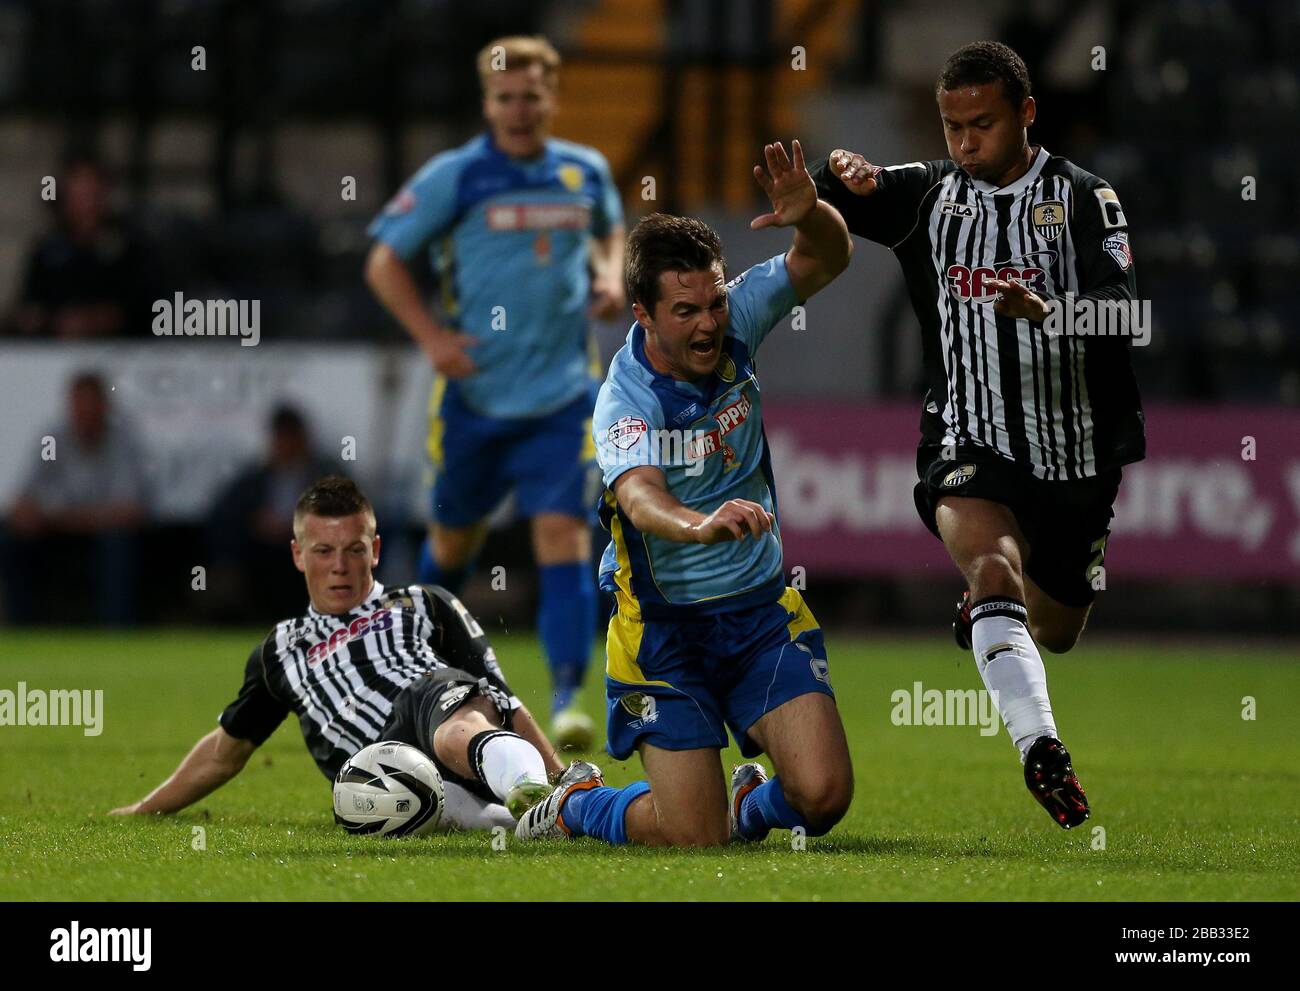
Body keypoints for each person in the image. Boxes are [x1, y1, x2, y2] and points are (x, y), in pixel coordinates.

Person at [810, 41, 1145, 828]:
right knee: (990, 565)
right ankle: (1041, 747)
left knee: (1056, 628)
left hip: (1075, 452)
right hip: (969, 436)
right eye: (952, 125)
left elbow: (1130, 312)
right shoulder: (931, 195)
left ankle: (993, 619)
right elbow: (840, 196)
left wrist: (1050, 311)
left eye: (982, 125)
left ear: (1027, 114)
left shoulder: (1086, 200)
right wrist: (827, 181)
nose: (964, 143)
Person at [516, 140, 855, 847]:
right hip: (663, 632)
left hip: (760, 612)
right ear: (642, 313)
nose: (708, 324)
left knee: (823, 797)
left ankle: (752, 807)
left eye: (714, 302)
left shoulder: (737, 316)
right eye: (685, 311)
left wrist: (812, 214)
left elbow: (827, 257)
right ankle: (580, 802)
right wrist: (702, 526)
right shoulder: (624, 400)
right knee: (691, 837)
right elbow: (639, 497)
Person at [364, 35, 625, 748]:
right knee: (452, 544)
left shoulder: (584, 170)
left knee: (563, 531)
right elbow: (385, 260)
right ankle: (418, 676)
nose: (519, 109)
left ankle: (568, 696)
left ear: (552, 97)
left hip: (565, 394)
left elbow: (611, 233)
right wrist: (432, 339)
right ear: (487, 102)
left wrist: (609, 272)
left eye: (531, 96)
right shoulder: (457, 176)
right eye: (505, 97)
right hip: (475, 400)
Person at [110, 476, 577, 832]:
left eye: (354, 549)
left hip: (433, 706)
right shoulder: (281, 649)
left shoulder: (422, 602)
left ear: (374, 550)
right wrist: (144, 808)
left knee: (450, 713)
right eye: (323, 550)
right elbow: (223, 753)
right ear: (298, 554)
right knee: (426, 797)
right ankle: (528, 820)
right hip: (378, 782)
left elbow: (501, 698)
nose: (339, 566)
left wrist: (561, 777)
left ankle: (548, 796)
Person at [2, 371, 149, 624]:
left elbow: (129, 512)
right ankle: (23, 628)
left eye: (92, 405)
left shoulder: (123, 442)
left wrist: (60, 517)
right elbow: (24, 499)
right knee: (12, 539)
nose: (86, 413)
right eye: (80, 405)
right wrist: (33, 515)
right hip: (58, 534)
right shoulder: (53, 440)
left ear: (105, 407)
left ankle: (116, 631)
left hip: (102, 535)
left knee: (118, 545)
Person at [206, 405, 340, 622]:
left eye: (291, 437)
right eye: (281, 437)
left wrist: (299, 526)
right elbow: (225, 514)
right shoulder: (255, 479)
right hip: (262, 551)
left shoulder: (326, 475)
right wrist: (255, 521)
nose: (286, 445)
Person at [9, 154, 149, 339]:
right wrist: (50, 320)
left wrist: (96, 321)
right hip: (54, 354)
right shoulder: (47, 250)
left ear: (104, 193)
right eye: (77, 192)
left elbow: (146, 308)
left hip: (119, 353)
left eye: (90, 192)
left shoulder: (129, 248)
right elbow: (28, 308)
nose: (83, 202)